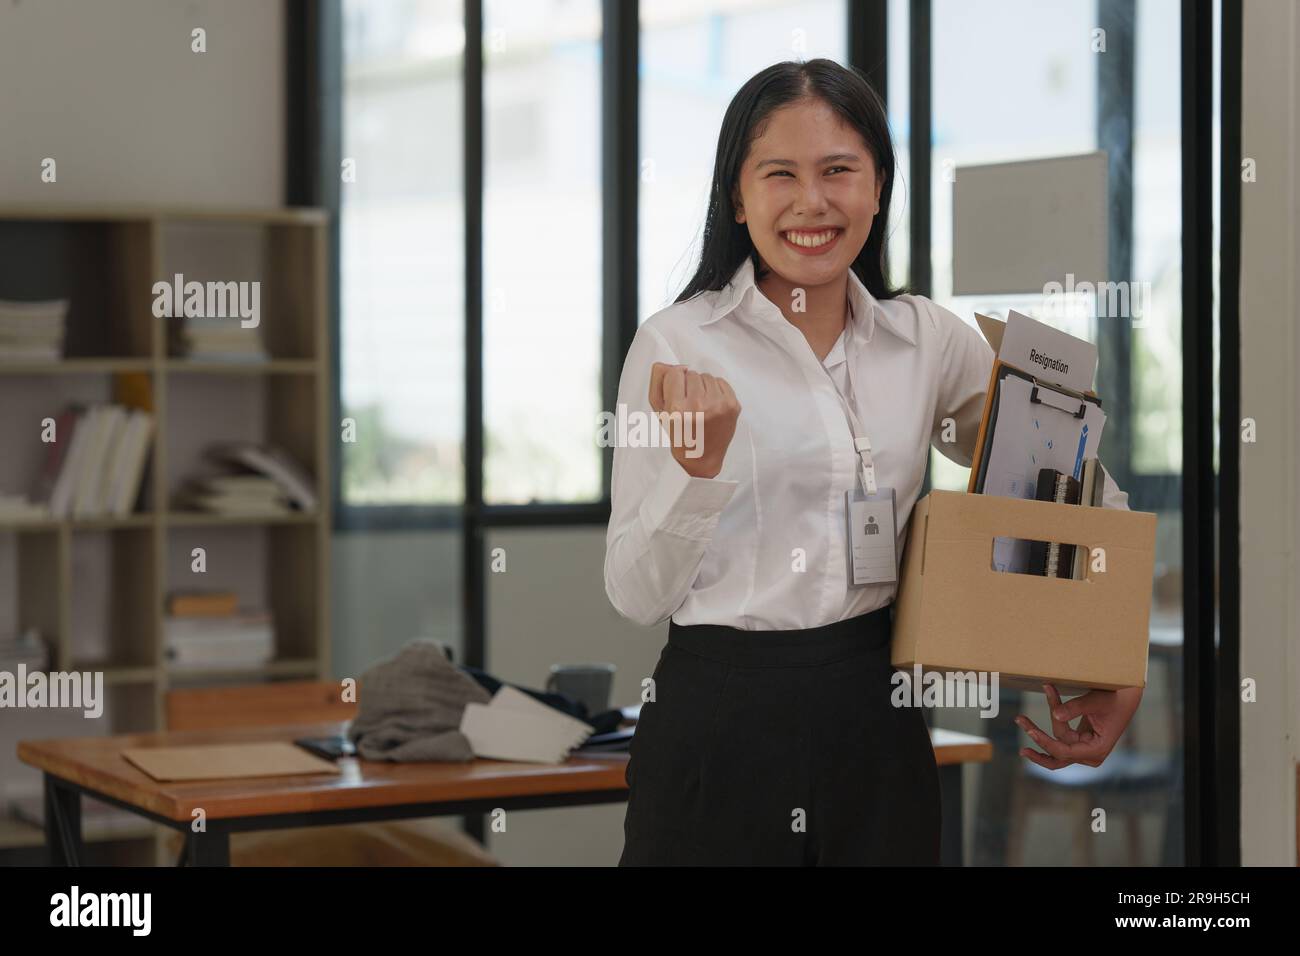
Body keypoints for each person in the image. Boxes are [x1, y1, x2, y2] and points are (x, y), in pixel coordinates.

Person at [604, 58, 1143, 866]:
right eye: (779, 173)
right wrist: (697, 469)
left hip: (876, 708)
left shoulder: (927, 340)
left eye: (838, 171)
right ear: (738, 196)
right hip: (719, 723)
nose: (811, 202)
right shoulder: (677, 345)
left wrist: (1112, 652)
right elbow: (635, 593)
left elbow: (1066, 479)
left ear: (879, 187)